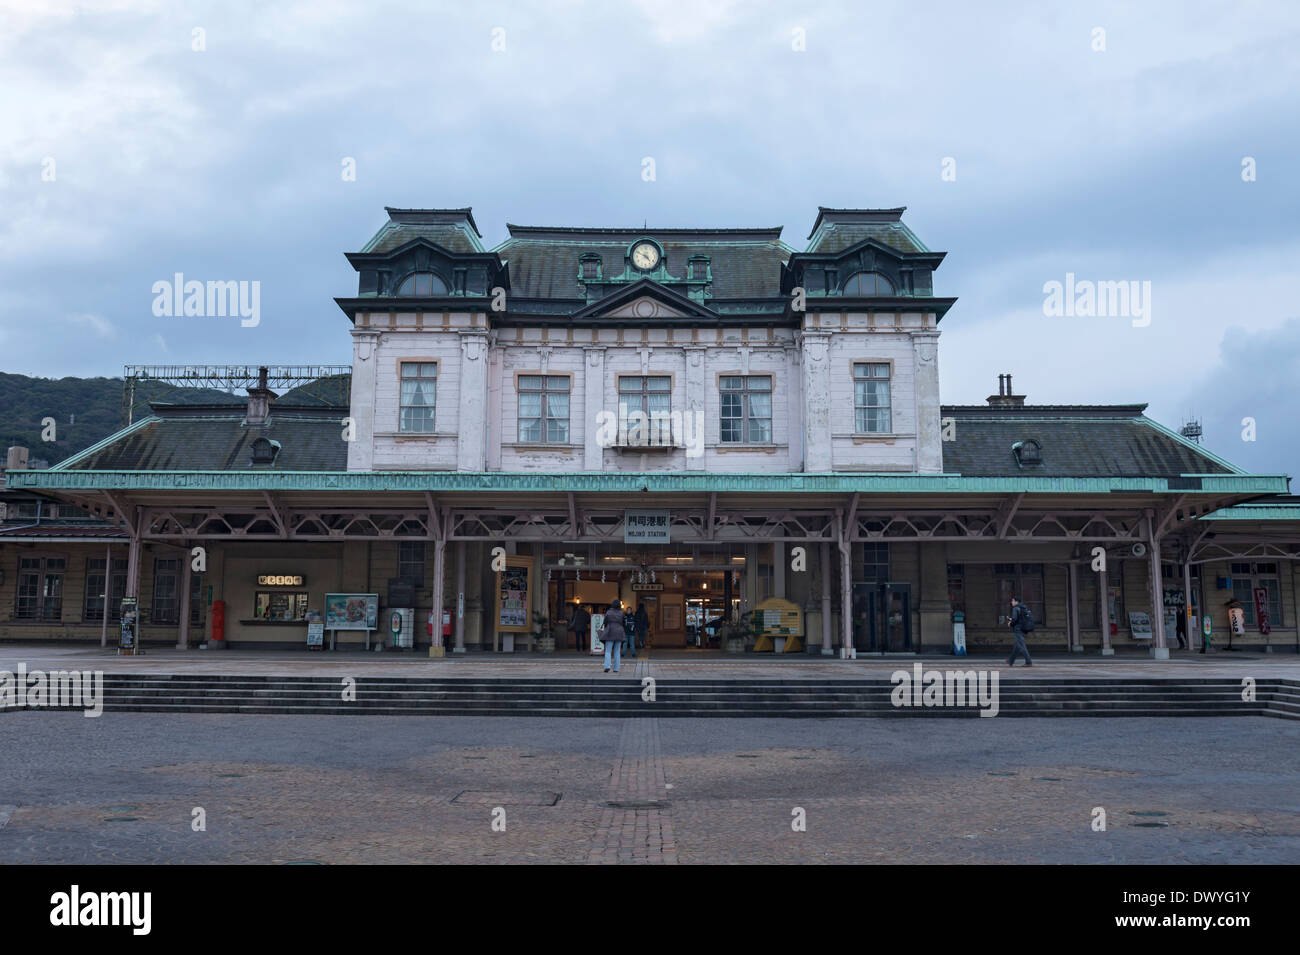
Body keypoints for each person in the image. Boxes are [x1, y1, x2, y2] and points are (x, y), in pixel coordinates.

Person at [1006, 595, 1033, 667]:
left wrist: (1010, 623)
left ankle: (1028, 662)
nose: (1011, 602)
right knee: (1017, 645)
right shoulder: (1024, 607)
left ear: (1016, 601)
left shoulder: (1016, 608)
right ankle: (1011, 660)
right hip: (1024, 628)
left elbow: (1015, 619)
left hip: (1018, 629)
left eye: (1012, 601)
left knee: (1021, 645)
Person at [602, 601, 625, 673]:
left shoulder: (609, 612)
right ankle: (616, 668)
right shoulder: (621, 612)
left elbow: (605, 621)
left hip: (610, 631)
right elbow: (623, 622)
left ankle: (607, 666)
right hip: (619, 631)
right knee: (617, 651)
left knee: (608, 650)